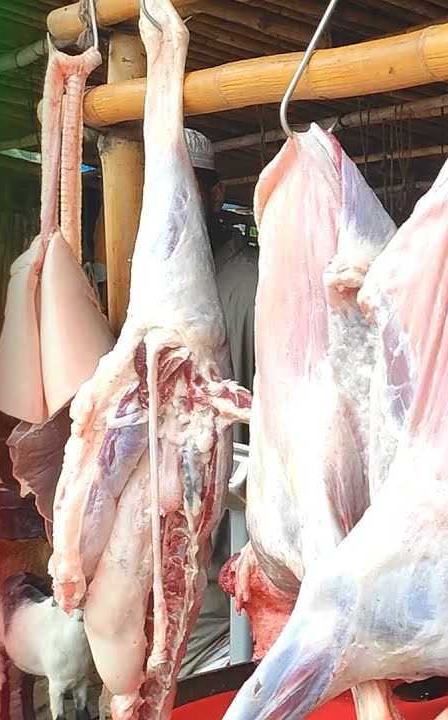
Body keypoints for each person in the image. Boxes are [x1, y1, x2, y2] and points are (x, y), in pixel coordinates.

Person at [180, 128, 260, 677]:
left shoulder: (249, 288)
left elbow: (267, 443)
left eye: (187, 197)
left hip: (223, 602)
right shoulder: (159, 290)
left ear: (214, 196)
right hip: (169, 579)